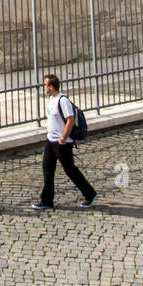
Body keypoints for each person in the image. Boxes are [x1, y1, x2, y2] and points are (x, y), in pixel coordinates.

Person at [33, 74, 96, 211]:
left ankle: (89, 194)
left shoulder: (63, 101)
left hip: (62, 143)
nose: (44, 87)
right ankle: (46, 200)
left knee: (70, 170)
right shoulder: (51, 99)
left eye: (46, 85)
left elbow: (70, 120)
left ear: (51, 86)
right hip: (51, 141)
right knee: (47, 170)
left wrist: (63, 137)